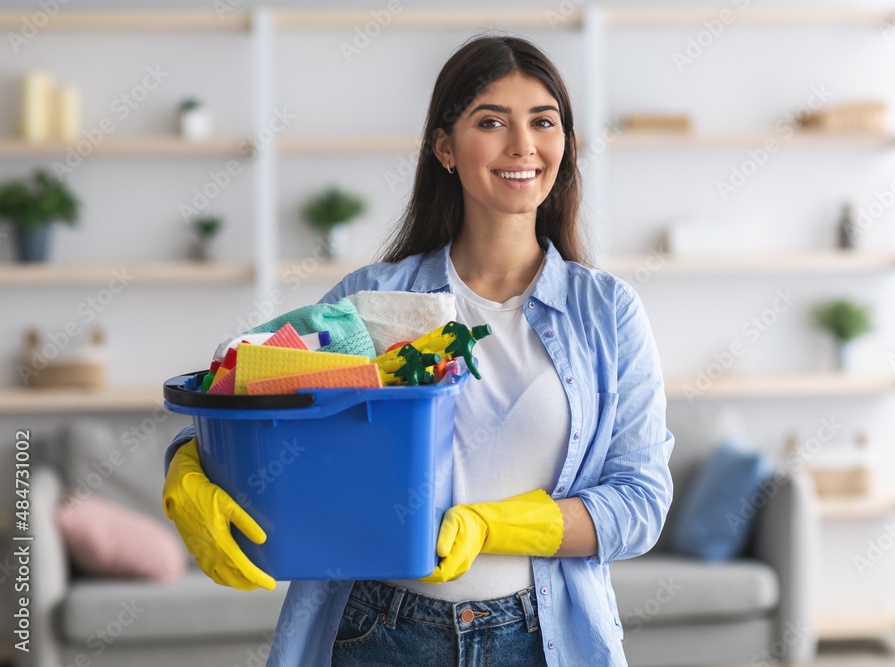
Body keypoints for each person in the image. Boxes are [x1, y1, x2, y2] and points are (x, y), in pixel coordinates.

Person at [162, 35, 674, 667]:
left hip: (541, 639)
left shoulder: (606, 313)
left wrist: (492, 527)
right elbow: (251, 392)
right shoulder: (371, 302)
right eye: (491, 121)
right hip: (378, 631)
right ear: (445, 149)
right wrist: (186, 470)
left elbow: (640, 503)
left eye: (543, 121)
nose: (523, 145)